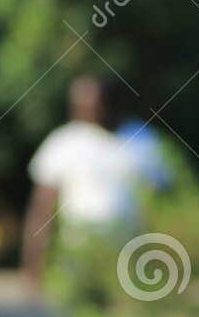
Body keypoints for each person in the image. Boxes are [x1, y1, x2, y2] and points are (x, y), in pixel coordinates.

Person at [21, 76, 148, 295]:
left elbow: (166, 203)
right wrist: (33, 268)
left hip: (131, 260)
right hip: (77, 259)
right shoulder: (64, 142)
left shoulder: (143, 140)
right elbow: (42, 210)